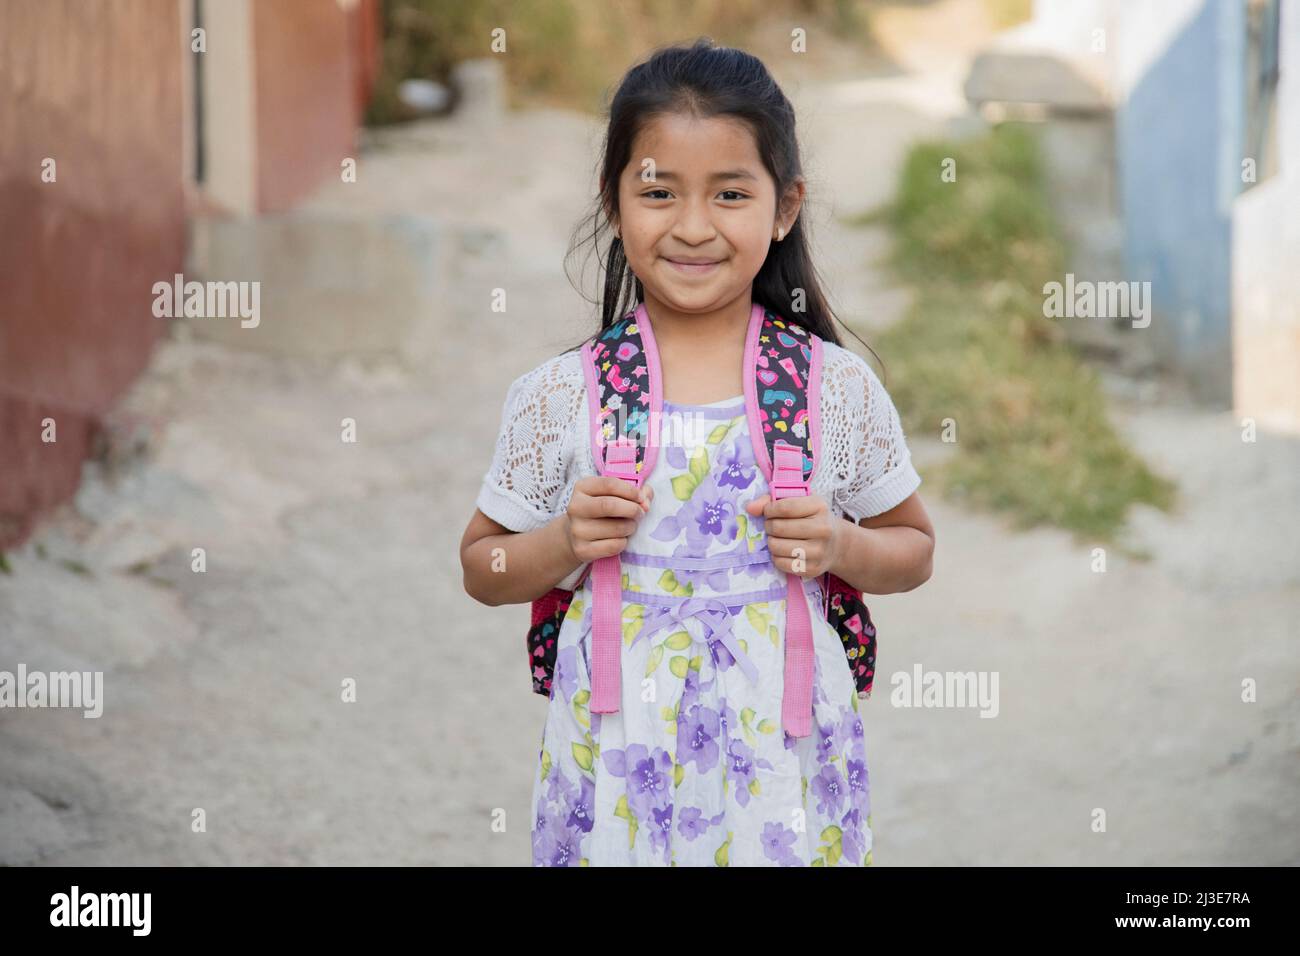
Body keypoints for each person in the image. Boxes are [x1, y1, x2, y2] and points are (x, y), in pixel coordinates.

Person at [461, 38, 935, 866]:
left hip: (782, 773)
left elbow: (915, 550)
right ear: (614, 201)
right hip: (614, 767)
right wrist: (561, 544)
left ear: (784, 207)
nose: (691, 227)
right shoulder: (560, 395)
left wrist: (840, 545)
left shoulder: (833, 389)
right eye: (657, 192)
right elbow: (482, 570)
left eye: (728, 193)